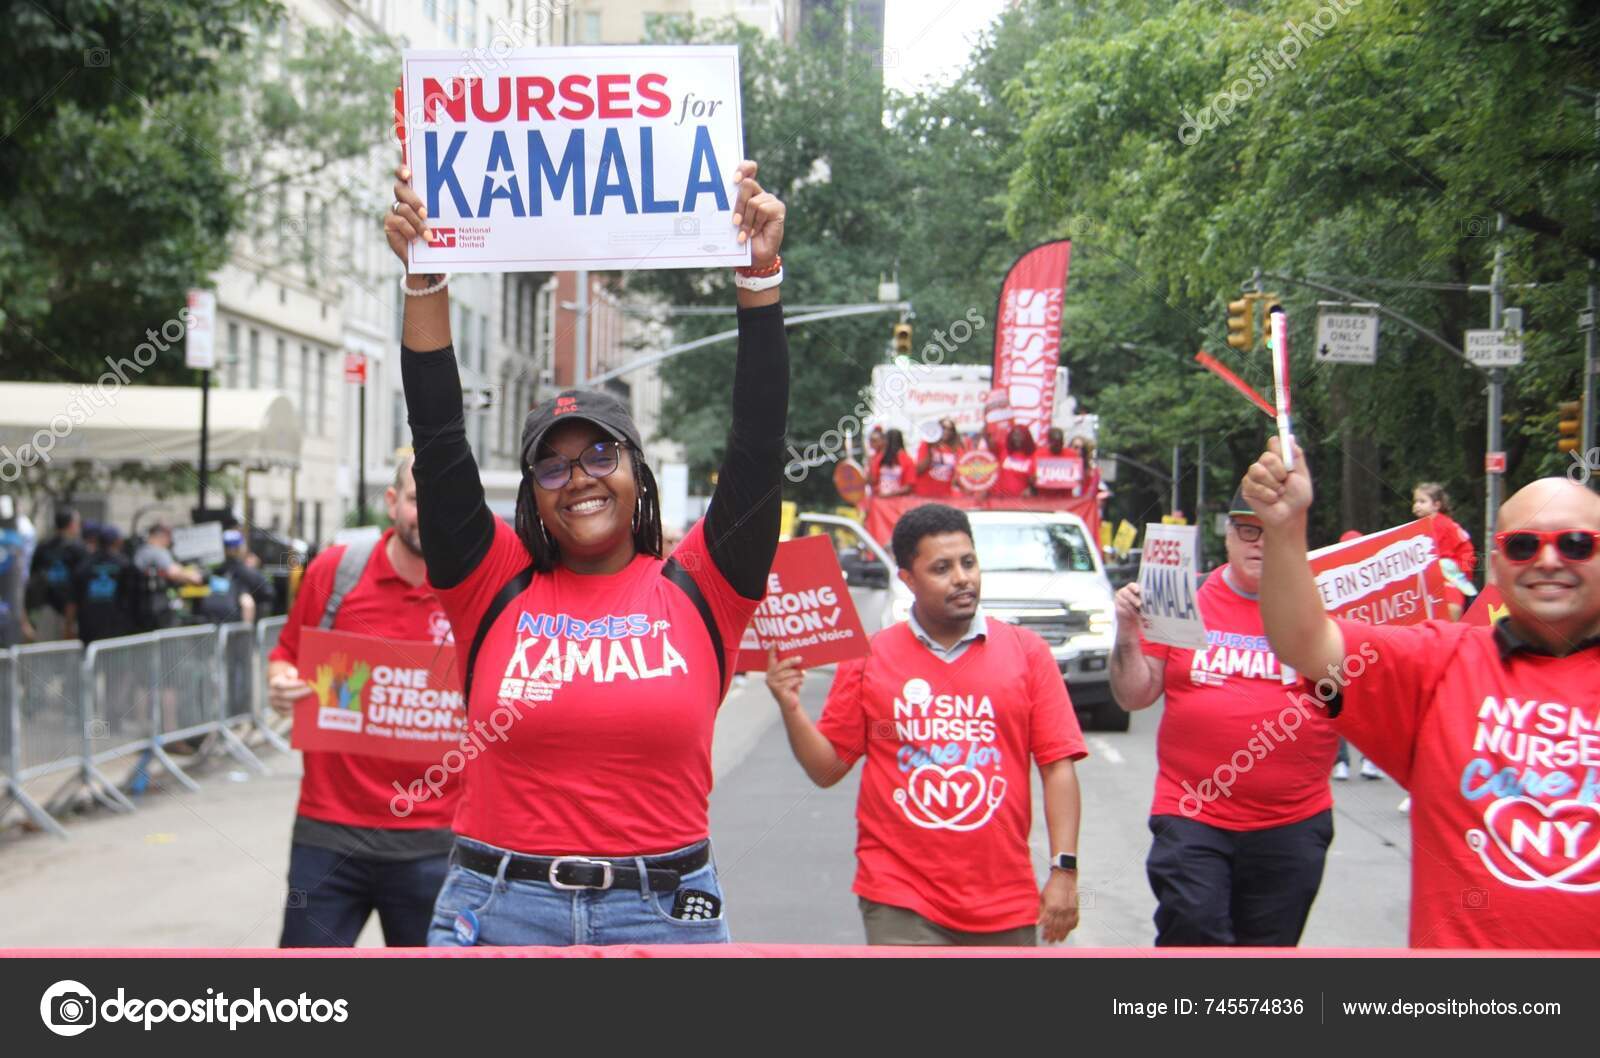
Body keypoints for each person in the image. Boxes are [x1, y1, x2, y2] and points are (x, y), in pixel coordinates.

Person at [385, 158, 788, 947]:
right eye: (553, 464)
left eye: (602, 455)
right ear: (533, 492)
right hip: (498, 911)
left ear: (638, 474)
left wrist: (760, 276)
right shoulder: (490, 582)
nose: (579, 480)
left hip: (664, 913)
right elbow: (438, 439)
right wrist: (424, 278)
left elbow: (758, 443)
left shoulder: (707, 585)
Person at [1244, 439, 1600, 949]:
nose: (1547, 561)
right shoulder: (1440, 662)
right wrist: (1283, 528)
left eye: (1575, 544)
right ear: (1497, 564)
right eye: (1523, 545)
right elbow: (1306, 642)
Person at [765, 503, 1086, 945]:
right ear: (908, 579)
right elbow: (828, 769)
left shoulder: (1027, 653)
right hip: (899, 899)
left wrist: (1063, 869)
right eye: (942, 568)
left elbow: (1057, 766)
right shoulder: (869, 657)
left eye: (968, 562)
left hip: (1004, 899)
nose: (962, 578)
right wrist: (791, 708)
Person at [1109, 487, 1339, 947]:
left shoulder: (1322, 608)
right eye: (1248, 531)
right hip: (1192, 812)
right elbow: (1134, 695)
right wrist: (1128, 633)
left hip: (1292, 821)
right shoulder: (1182, 595)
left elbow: (1360, 695)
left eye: (1273, 533)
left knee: (1268, 951)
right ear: (1228, 536)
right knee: (1194, 929)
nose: (1259, 543)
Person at [266, 456, 462, 947]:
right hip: (329, 836)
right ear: (393, 503)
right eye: (418, 499)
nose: (430, 513)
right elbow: (287, 653)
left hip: (436, 842)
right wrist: (282, 679)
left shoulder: (475, 589)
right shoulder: (337, 572)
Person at [1412, 481, 1475, 619]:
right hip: (1429, 577)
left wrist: (1463, 572)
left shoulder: (1447, 525)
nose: (1417, 505)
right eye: (1416, 501)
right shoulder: (1417, 528)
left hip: (1450, 576)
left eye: (1422, 501)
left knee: (1451, 607)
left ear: (1436, 505)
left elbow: (1466, 549)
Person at [26, 509, 86, 642]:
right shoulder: (78, 549)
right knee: (70, 651)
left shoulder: (43, 546)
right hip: (71, 609)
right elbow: (81, 581)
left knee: (46, 651)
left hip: (45, 606)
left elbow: (33, 575)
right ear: (71, 524)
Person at [72, 526, 137, 645]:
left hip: (89, 629)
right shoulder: (125, 564)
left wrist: (69, 624)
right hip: (118, 630)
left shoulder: (84, 565)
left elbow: (74, 600)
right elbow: (132, 599)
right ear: (117, 541)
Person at [196, 529, 275, 624]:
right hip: (238, 628)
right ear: (241, 548)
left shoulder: (216, 571)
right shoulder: (248, 573)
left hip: (212, 622)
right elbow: (268, 593)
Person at [913, 418, 962, 498]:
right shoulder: (926, 444)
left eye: (950, 429)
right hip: (925, 493)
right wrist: (930, 449)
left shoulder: (956, 449)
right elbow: (919, 470)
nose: (946, 431)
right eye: (943, 428)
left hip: (945, 494)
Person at [1031, 427, 1083, 498]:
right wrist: (1035, 478)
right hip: (1044, 498)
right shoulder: (1039, 454)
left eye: (1060, 443)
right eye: (1055, 444)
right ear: (1049, 442)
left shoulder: (1072, 455)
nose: (1058, 446)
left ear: (1063, 442)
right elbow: (1031, 477)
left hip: (1065, 498)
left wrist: (1078, 479)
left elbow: (1079, 479)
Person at [869, 427, 917, 497]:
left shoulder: (906, 459)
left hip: (899, 502)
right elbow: (873, 480)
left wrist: (889, 495)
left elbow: (909, 486)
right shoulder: (879, 458)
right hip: (881, 501)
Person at [993, 424, 1035, 499]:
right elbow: (990, 440)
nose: (1017, 438)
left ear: (1027, 437)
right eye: (1015, 435)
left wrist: (1031, 489)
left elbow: (1035, 481)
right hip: (1000, 499)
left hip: (1020, 502)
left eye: (1020, 435)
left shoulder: (1033, 457)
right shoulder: (1003, 450)